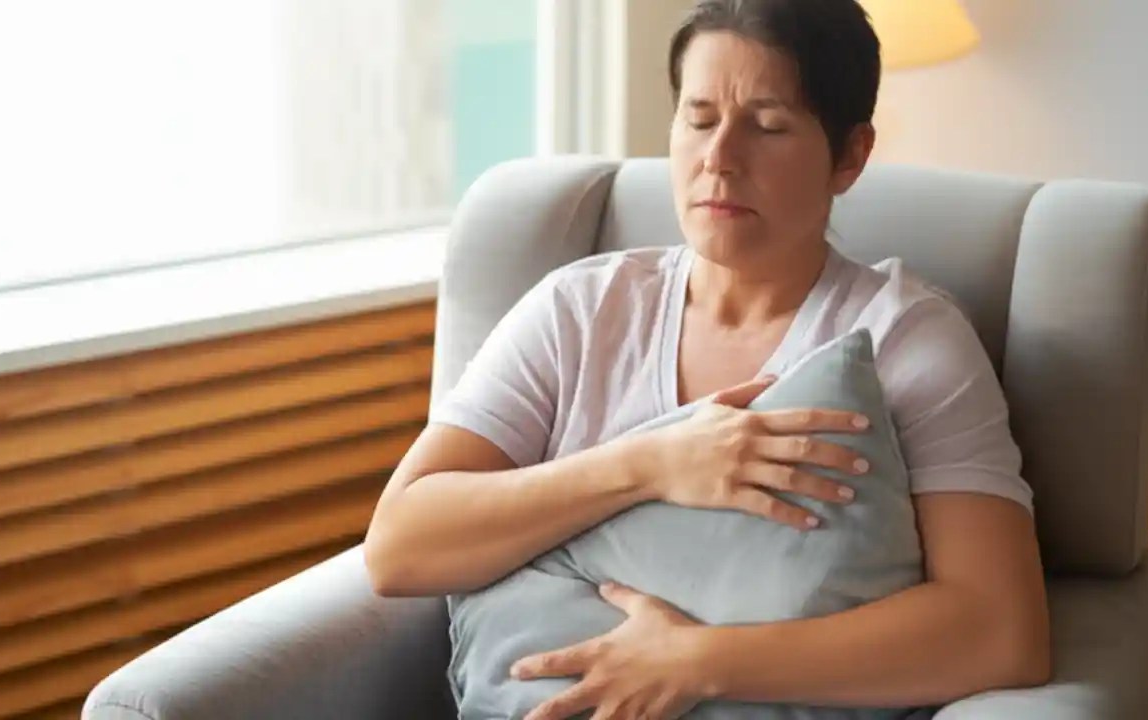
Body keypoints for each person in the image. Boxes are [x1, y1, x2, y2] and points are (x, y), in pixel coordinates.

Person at [364, 0, 1050, 717]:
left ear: (850, 156)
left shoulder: (905, 337)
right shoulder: (580, 311)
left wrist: (699, 663)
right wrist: (649, 465)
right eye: (698, 120)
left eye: (768, 125)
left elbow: (1001, 630)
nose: (719, 158)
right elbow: (400, 546)